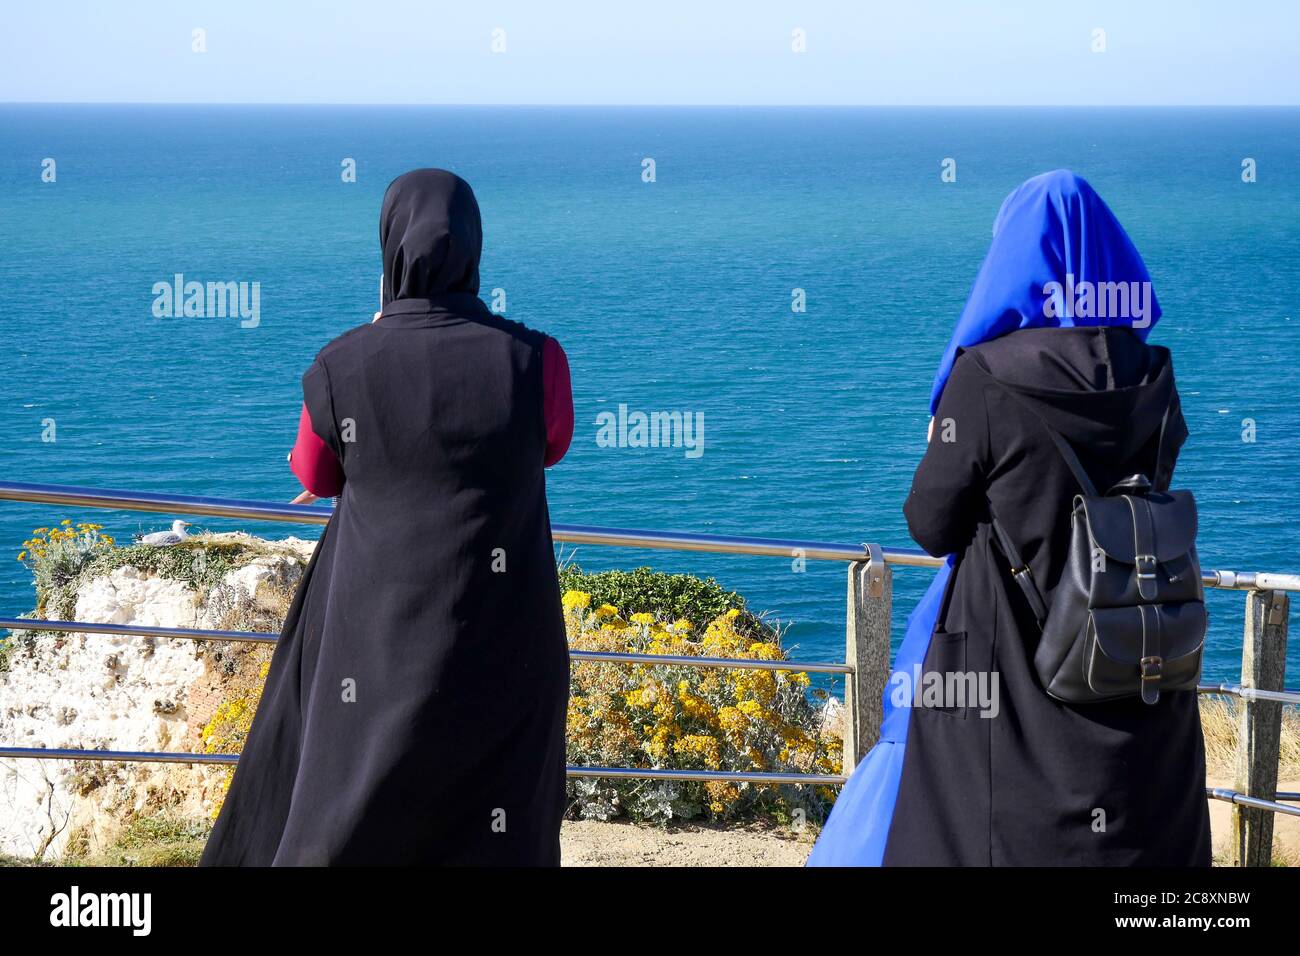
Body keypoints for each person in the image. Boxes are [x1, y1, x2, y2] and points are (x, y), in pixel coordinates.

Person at [808, 170, 1211, 866]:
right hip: (1134, 655)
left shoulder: (986, 375)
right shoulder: (1153, 371)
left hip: (1011, 679)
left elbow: (929, 523)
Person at [200, 168, 574, 866]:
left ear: (388, 245)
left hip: (376, 636)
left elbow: (314, 472)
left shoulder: (344, 363)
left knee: (354, 801)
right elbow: (550, 444)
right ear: (473, 245)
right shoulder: (537, 359)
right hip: (506, 628)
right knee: (499, 815)